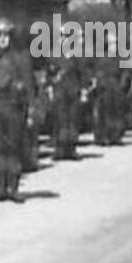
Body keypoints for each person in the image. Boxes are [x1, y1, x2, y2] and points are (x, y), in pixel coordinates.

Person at [0, 18, 34, 203]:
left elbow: (28, 84)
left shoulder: (20, 58)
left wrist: (31, 109)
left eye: (6, 36)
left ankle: (13, 187)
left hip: (13, 105)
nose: (3, 40)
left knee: (13, 147)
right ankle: (1, 187)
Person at [48, 21, 86, 160]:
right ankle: (60, 149)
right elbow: (49, 74)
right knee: (59, 120)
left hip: (73, 90)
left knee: (73, 120)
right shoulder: (53, 54)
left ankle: (72, 149)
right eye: (63, 35)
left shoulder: (78, 54)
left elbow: (82, 74)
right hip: (59, 91)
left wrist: (83, 90)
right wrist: (50, 88)